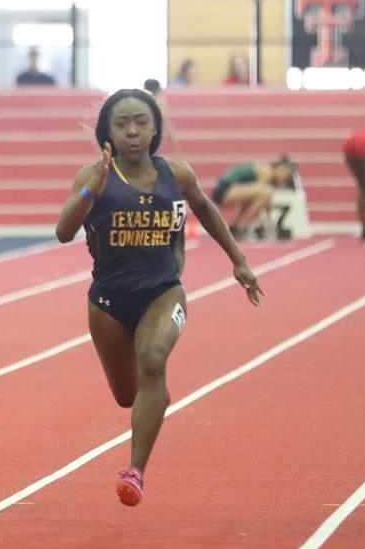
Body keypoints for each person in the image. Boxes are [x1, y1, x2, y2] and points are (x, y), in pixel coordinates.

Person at [56, 88, 262, 507]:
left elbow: (205, 209)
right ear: (107, 133)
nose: (133, 132)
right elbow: (63, 232)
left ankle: (135, 471)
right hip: (108, 304)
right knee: (128, 395)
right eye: (122, 124)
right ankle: (155, 393)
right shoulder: (92, 177)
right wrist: (91, 191)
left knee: (152, 359)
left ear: (156, 129)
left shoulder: (177, 174)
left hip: (164, 293)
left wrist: (238, 261)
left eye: (141, 122)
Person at [210, 157, 298, 239]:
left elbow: (257, 202)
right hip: (224, 190)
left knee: (261, 197)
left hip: (227, 189)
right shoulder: (266, 171)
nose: (284, 179)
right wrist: (268, 223)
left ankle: (237, 227)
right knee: (266, 193)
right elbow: (264, 199)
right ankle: (241, 227)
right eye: (286, 175)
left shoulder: (265, 170)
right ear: (280, 169)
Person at [141, 79, 182, 159]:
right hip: (151, 140)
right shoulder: (158, 103)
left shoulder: (140, 103)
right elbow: (167, 125)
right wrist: (177, 153)